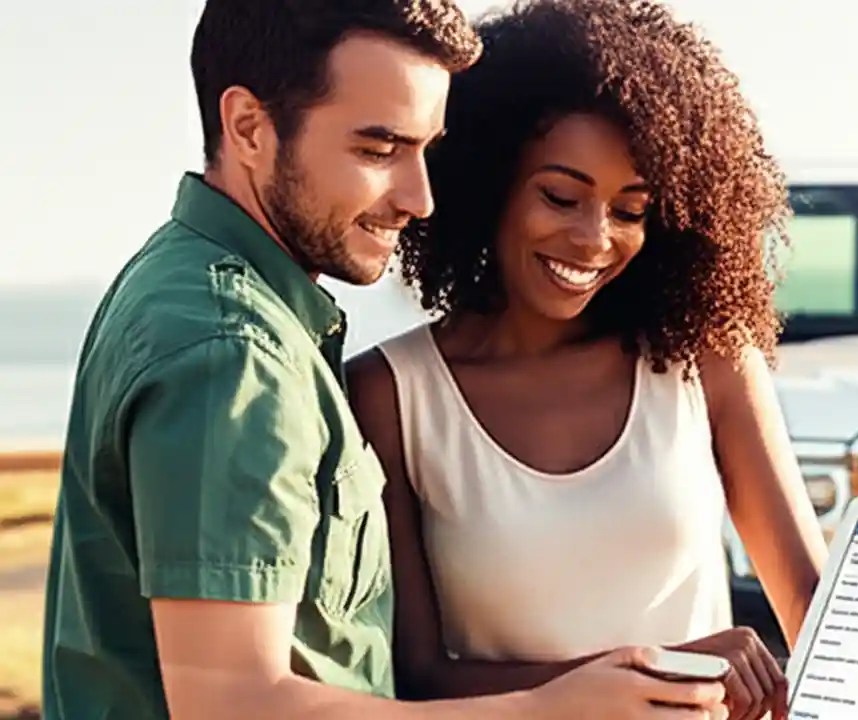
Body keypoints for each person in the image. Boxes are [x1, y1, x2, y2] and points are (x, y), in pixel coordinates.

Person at [39, 1, 728, 719]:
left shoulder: (196, 288)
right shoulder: (233, 353)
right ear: (248, 127)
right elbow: (231, 705)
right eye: (378, 150)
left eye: (425, 150)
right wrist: (549, 711)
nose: (420, 198)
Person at [345, 1, 829, 719]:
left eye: (630, 210)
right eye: (561, 196)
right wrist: (656, 674)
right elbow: (413, 673)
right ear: (488, 184)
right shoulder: (390, 393)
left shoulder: (705, 361)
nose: (593, 238)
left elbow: (813, 608)